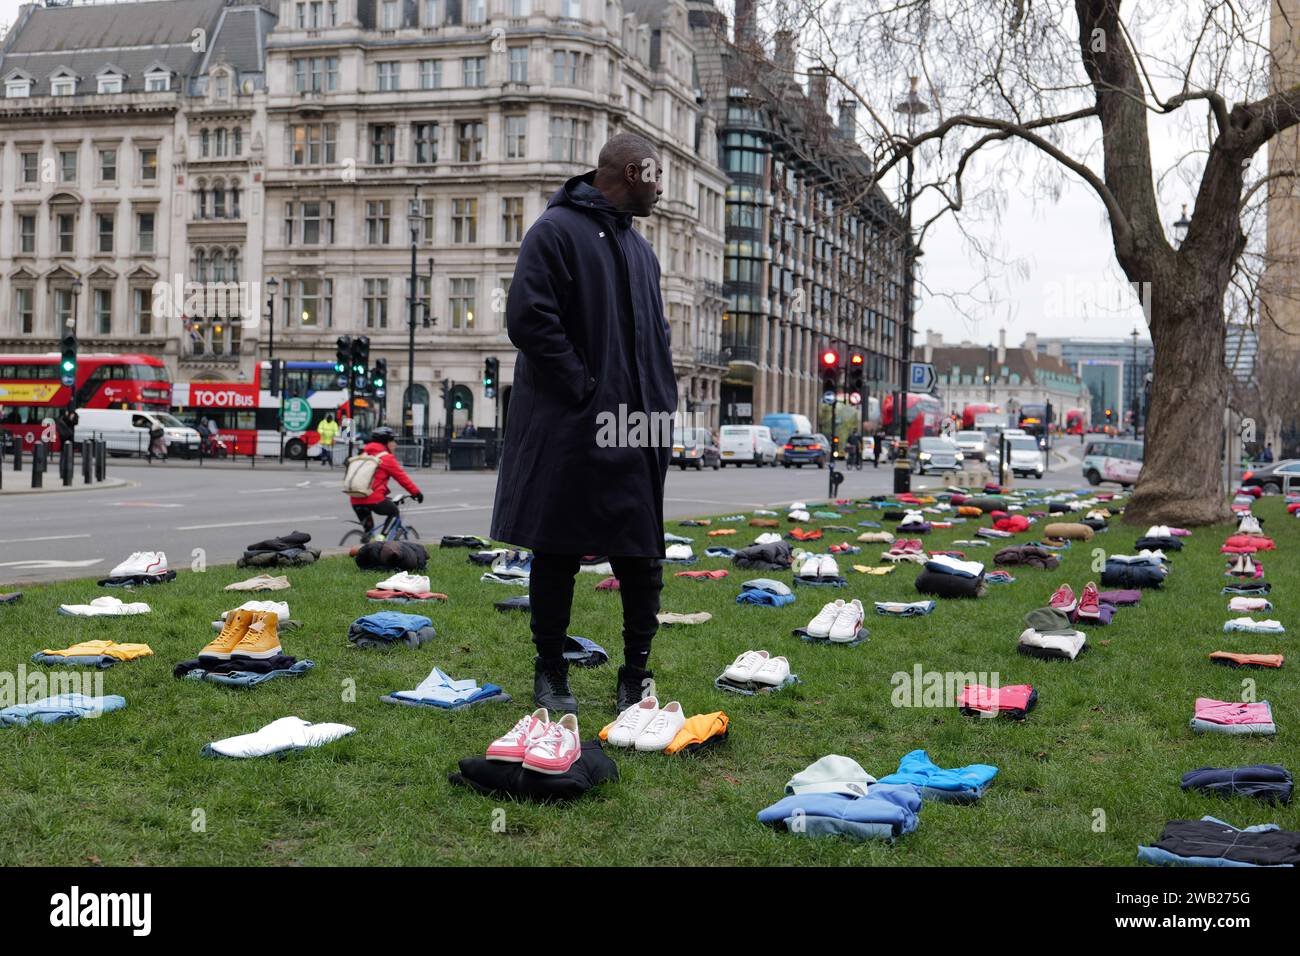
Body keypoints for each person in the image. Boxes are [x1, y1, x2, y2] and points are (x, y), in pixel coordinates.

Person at [490, 132, 676, 718]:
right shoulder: (555, 231)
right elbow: (529, 317)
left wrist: (661, 404)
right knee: (558, 549)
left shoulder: (641, 250)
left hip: (636, 425)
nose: (661, 187)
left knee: (642, 555)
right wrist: (583, 386)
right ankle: (550, 669)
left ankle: (635, 675)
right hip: (575, 422)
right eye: (654, 175)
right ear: (627, 171)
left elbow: (658, 337)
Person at [348, 426, 423, 541]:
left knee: (368, 532)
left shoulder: (363, 454)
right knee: (394, 512)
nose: (395, 444)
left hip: (356, 498)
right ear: (386, 442)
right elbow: (402, 478)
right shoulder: (386, 458)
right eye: (393, 441)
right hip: (373, 498)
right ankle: (382, 538)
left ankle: (365, 548)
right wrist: (416, 493)